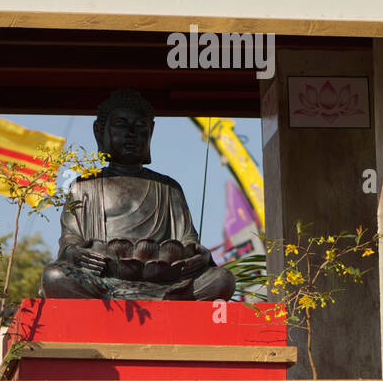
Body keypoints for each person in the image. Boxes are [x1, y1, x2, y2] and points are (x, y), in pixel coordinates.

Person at [40, 88, 236, 301]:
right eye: (121, 125)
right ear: (100, 131)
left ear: (151, 131)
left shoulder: (168, 188)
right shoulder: (84, 186)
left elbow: (188, 241)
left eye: (140, 125)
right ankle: (121, 295)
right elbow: (70, 241)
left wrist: (201, 256)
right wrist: (76, 254)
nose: (131, 133)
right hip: (103, 276)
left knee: (222, 279)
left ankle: (137, 297)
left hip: (162, 279)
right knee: (55, 276)